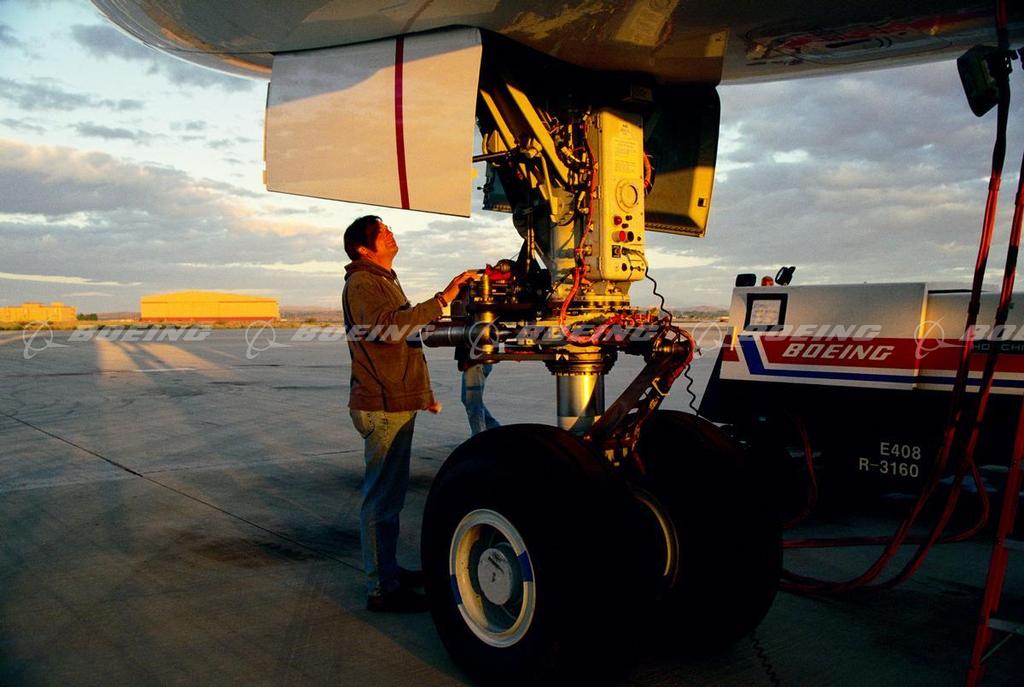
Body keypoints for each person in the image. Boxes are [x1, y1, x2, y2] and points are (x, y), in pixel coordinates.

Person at [342, 215, 475, 613]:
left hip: (396, 401)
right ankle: (382, 589)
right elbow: (389, 330)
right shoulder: (363, 282)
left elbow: (403, 344)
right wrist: (442, 298)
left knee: (390, 499)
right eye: (380, 231)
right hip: (382, 406)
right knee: (381, 501)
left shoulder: (383, 278)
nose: (390, 233)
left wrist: (422, 395)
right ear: (364, 249)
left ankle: (389, 573)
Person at [461, 363, 500, 435]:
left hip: (476, 364)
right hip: (474, 364)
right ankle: (494, 428)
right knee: (466, 399)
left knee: (473, 403)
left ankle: (479, 434)